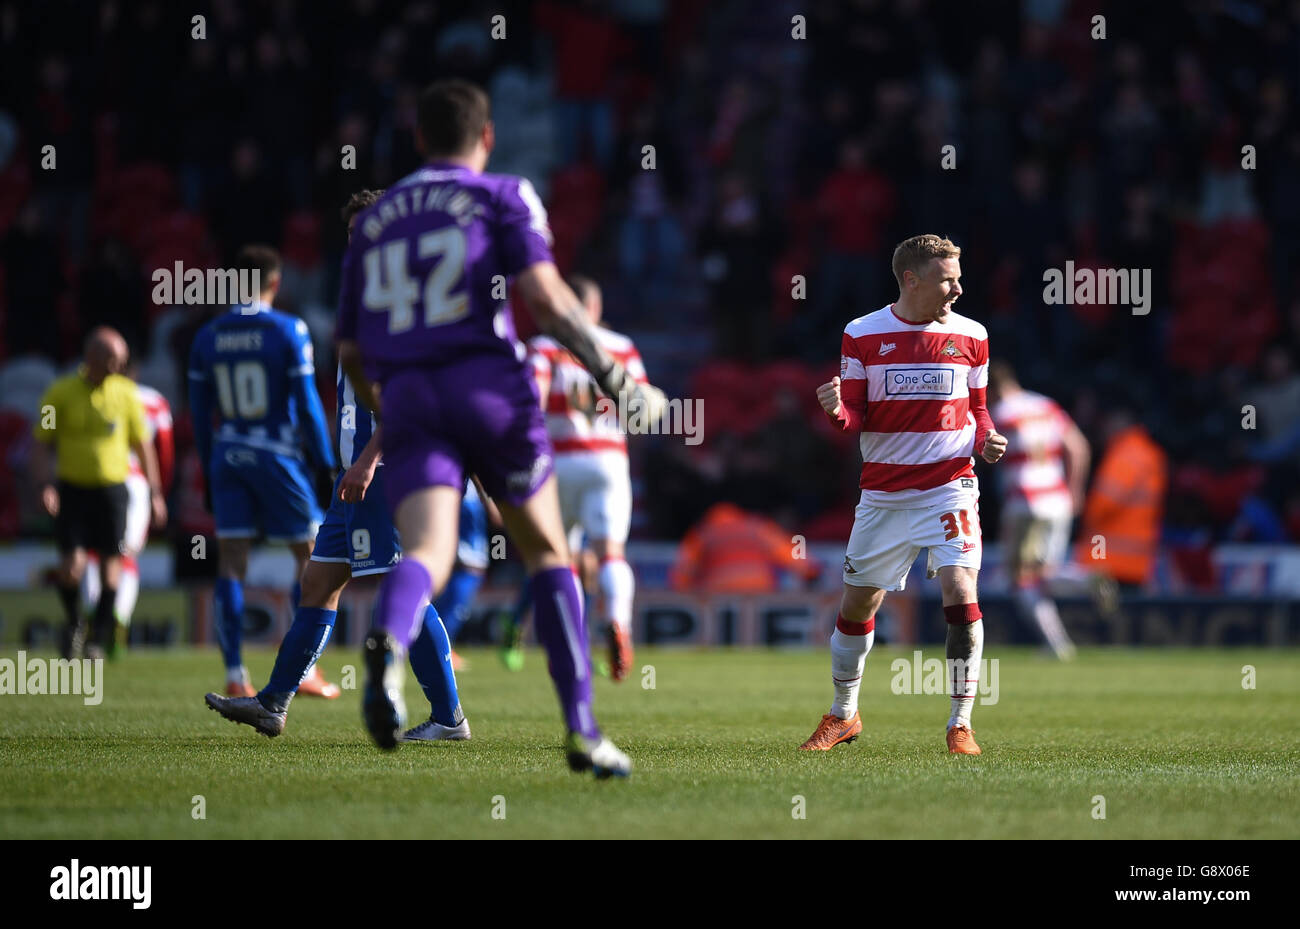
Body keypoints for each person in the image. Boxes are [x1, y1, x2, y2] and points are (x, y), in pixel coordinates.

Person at [336, 79, 666, 776]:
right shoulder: (501, 195)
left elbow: (349, 351)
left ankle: (389, 652)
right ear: (486, 137)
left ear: (418, 138)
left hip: (410, 397)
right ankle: (582, 730)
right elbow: (547, 302)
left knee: (425, 549)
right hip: (489, 389)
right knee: (548, 552)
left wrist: (386, 405)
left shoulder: (374, 220)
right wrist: (616, 380)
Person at [204, 192, 468, 741]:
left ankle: (449, 718)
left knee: (400, 587)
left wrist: (368, 462)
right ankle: (273, 703)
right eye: (351, 236)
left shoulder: (396, 308)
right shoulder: (367, 301)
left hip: (384, 472)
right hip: (357, 474)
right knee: (319, 582)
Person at [801, 234, 1007, 756]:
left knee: (961, 592)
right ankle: (843, 714)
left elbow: (977, 410)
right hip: (884, 495)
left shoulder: (973, 335)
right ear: (911, 280)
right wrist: (834, 410)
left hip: (950, 487)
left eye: (958, 277)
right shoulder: (863, 333)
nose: (958, 288)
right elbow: (854, 416)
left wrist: (986, 439)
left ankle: (961, 723)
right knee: (858, 603)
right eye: (947, 278)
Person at [187, 245, 339, 697]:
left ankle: (235, 673)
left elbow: (198, 413)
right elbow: (309, 404)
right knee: (309, 558)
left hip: (228, 455)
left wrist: (210, 469)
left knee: (231, 563)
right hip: (276, 455)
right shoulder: (288, 329)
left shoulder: (208, 335)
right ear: (275, 282)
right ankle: (305, 671)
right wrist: (325, 463)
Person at [521, 273, 647, 681]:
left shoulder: (544, 347)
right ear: (594, 309)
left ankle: (572, 639)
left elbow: (529, 406)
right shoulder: (621, 347)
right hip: (608, 462)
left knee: (564, 558)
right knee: (611, 553)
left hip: (559, 464)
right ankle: (619, 622)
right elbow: (641, 408)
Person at [31, 327, 167, 658]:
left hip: (112, 492)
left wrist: (155, 492)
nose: (119, 366)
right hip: (73, 491)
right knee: (71, 566)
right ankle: (75, 621)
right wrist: (45, 484)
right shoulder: (59, 393)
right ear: (93, 357)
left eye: (121, 360)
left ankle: (98, 637)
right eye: (114, 359)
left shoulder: (125, 394)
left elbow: (143, 445)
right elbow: (42, 442)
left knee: (111, 566)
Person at [987, 360, 1102, 660]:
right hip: (1058, 498)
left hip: (1024, 501)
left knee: (1020, 578)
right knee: (1043, 575)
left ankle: (1077, 594)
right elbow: (1078, 447)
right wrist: (1075, 490)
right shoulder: (1046, 405)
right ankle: (1082, 586)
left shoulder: (999, 414)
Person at [80, 365, 175, 656]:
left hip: (96, 478)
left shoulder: (88, 396)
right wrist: (158, 492)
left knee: (94, 552)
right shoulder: (153, 400)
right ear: (135, 369)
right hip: (135, 482)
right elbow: (164, 452)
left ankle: (94, 615)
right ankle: (119, 616)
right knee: (126, 554)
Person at [1076, 406, 1168, 591]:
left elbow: (1102, 505)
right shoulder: (1151, 454)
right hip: (1138, 562)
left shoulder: (1124, 454)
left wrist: (1080, 516)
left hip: (1107, 561)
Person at [669, 502, 819, 593]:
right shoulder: (756, 528)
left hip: (717, 596)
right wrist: (810, 572)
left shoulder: (703, 533)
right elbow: (796, 558)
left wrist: (683, 594)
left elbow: (683, 571)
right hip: (759, 592)